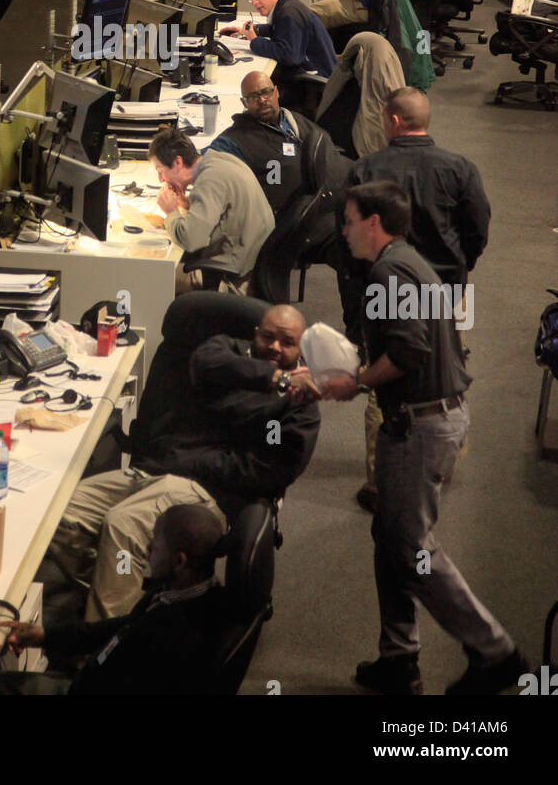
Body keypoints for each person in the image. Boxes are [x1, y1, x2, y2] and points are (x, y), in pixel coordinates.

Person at [323, 180, 524, 696]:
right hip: (427, 419)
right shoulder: (408, 260)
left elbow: (409, 350)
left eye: (348, 221)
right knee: (389, 538)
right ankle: (399, 657)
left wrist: (356, 383)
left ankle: (495, 652)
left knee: (412, 547)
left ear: (373, 222)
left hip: (421, 425)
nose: (342, 231)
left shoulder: (389, 270)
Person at [46, 305, 320, 619]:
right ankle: (123, 604)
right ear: (255, 333)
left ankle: (109, 650)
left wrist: (197, 462)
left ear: (301, 348)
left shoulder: (301, 406)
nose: (274, 347)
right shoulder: (229, 353)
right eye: (268, 337)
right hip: (156, 468)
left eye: (287, 342)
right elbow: (205, 363)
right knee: (58, 514)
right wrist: (278, 378)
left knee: (122, 526)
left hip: (207, 490)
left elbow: (269, 472)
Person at [341, 87, 492, 510]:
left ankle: (380, 480)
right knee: (448, 360)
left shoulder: (367, 168)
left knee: (384, 378)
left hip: (384, 288)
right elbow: (478, 225)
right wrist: (462, 265)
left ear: (392, 121)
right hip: (446, 287)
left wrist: (357, 297)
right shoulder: (459, 167)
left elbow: (347, 239)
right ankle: (438, 464)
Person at [0, 504, 229, 695]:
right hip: (92, 680)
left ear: (179, 561)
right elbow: (123, 626)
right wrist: (46, 636)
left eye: (155, 544)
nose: (147, 548)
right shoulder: (180, 591)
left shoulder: (176, 636)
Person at [210, 70, 351, 302]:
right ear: (244, 103)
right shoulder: (236, 139)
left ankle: (359, 327)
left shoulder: (295, 121)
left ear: (276, 92)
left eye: (266, 92)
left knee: (363, 261)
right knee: (351, 253)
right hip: (297, 227)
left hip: (335, 209)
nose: (262, 100)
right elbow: (205, 162)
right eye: (253, 97)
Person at [148, 125, 274, 294]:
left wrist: (171, 212)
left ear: (178, 162)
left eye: (160, 171)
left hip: (232, 279)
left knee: (150, 275)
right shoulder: (218, 160)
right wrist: (187, 206)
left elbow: (191, 240)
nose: (160, 179)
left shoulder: (209, 181)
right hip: (251, 264)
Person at [219, 0, 337, 81]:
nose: (254, 2)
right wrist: (253, 30)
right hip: (313, 73)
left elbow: (288, 56)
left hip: (313, 84)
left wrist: (254, 40)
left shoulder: (288, 14)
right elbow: (280, 30)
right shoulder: (287, 5)